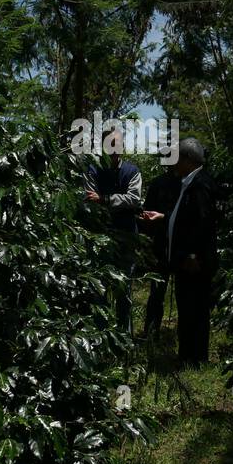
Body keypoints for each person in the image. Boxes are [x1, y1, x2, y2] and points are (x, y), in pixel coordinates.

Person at [138, 137, 219, 366]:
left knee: (195, 309)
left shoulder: (199, 185)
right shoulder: (189, 182)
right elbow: (186, 219)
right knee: (187, 308)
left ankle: (194, 359)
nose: (174, 162)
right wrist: (163, 218)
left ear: (188, 160)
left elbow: (202, 223)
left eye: (178, 158)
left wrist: (192, 254)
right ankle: (188, 356)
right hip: (184, 259)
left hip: (194, 261)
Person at [85, 125, 143, 332]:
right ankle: (101, 336)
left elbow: (134, 199)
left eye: (118, 143)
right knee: (98, 289)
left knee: (124, 289)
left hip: (126, 236)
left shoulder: (132, 171)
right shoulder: (93, 170)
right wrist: (110, 201)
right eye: (110, 143)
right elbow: (89, 198)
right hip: (100, 236)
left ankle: (123, 337)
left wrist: (105, 199)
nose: (115, 147)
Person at [140, 164, 182, 337]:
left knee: (181, 292)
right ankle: (151, 330)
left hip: (180, 243)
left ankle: (182, 331)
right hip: (161, 243)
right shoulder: (159, 183)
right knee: (157, 290)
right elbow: (147, 212)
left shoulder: (188, 183)